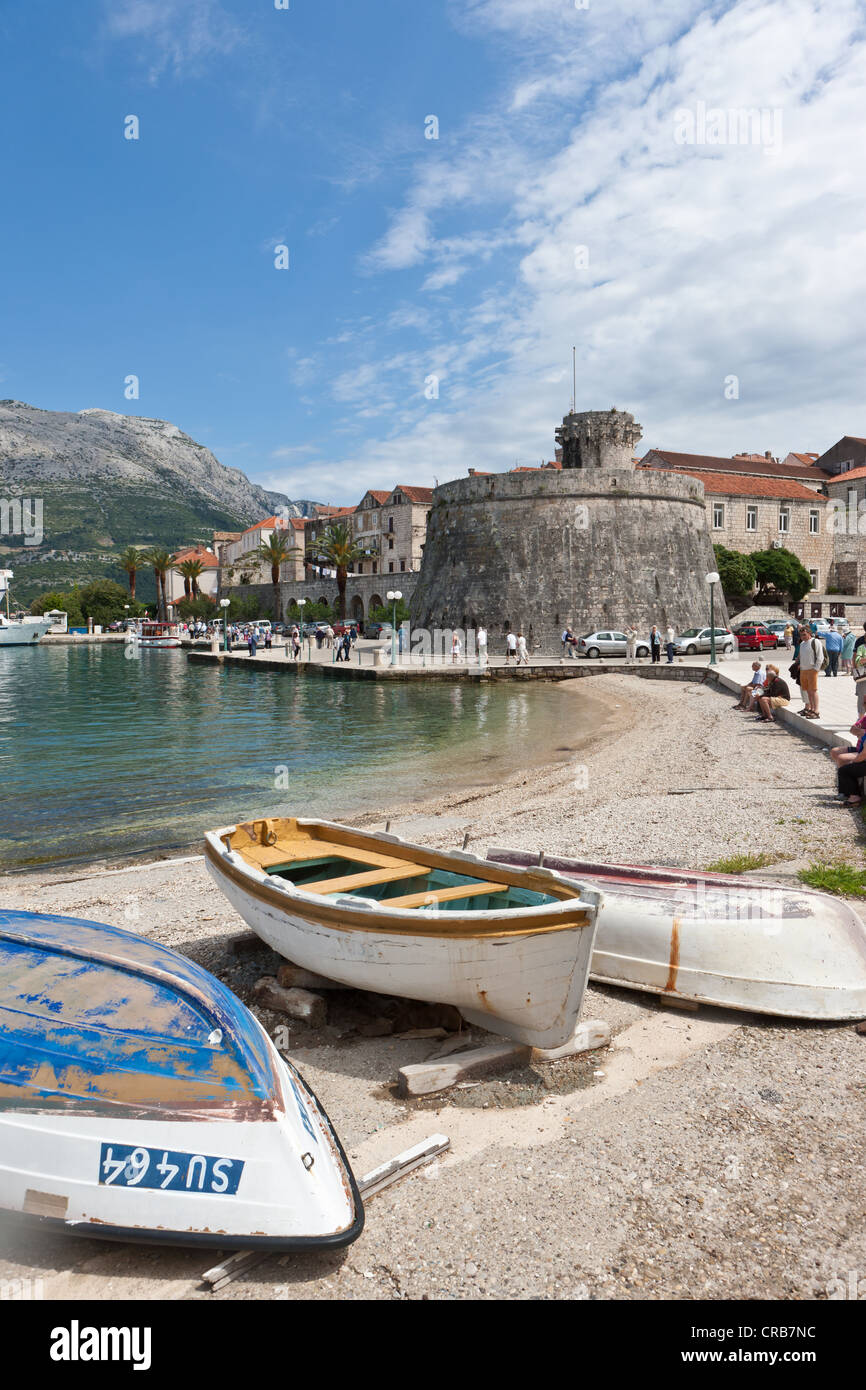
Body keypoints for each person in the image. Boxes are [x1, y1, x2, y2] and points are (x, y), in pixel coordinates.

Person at [797, 626, 825, 719]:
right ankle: (811, 709)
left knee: (813, 690)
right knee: (808, 691)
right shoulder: (802, 644)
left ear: (809, 633)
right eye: (801, 635)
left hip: (812, 669)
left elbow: (820, 656)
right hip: (803, 670)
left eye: (804, 634)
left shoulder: (815, 642)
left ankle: (816, 710)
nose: (803, 637)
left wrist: (816, 669)